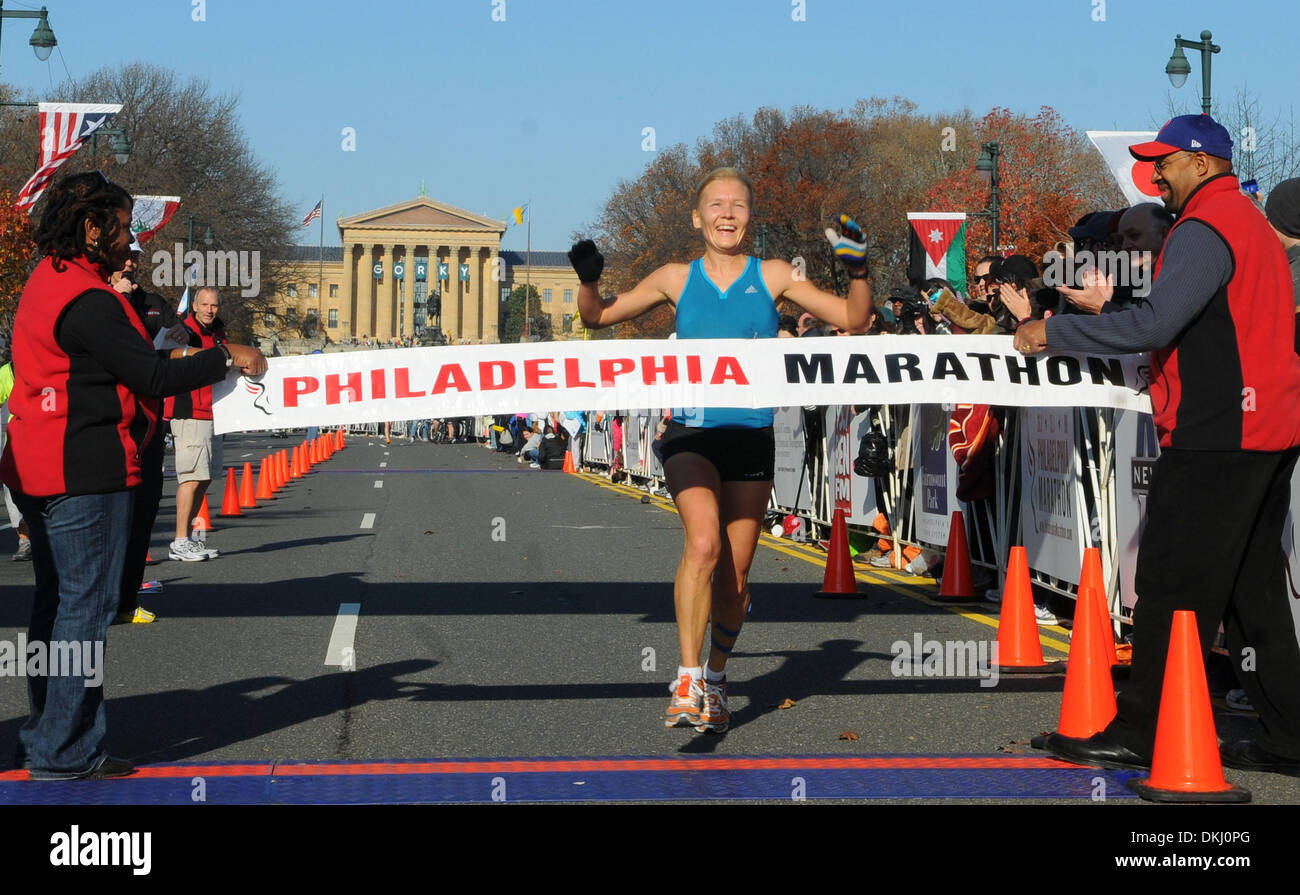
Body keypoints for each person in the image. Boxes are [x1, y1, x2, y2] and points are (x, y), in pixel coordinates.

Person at [1015, 115, 1300, 776]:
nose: (1155, 176)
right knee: (1252, 594)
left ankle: (1142, 729)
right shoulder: (1248, 221)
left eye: (1164, 162)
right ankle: (1290, 733)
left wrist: (1051, 334)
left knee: (1172, 581)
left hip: (1218, 433)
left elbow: (1155, 321)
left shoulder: (1205, 227)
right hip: (1263, 428)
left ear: (1201, 163)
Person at [569, 167, 871, 733]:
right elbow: (597, 316)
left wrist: (859, 272)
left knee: (734, 578)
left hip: (751, 438)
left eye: (737, 205)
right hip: (691, 435)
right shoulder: (676, 278)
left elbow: (855, 318)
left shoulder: (775, 274)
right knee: (702, 544)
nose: (726, 214)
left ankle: (715, 674)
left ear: (748, 217)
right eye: (716, 205)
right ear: (697, 217)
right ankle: (685, 677)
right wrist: (588, 279)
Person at [0, 172, 266, 779]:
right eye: (121, 229)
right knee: (82, 614)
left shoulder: (48, 279)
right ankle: (65, 751)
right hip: (82, 468)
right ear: (90, 230)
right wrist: (226, 356)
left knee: (54, 605)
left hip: (38, 463)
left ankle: (44, 736)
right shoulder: (90, 300)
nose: (130, 242)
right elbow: (150, 376)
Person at [166, 286, 229, 561]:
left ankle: (188, 537)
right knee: (191, 477)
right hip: (189, 411)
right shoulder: (184, 332)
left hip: (212, 412)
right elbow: (171, 359)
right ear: (195, 305)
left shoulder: (216, 334)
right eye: (204, 304)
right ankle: (179, 540)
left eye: (213, 305)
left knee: (204, 477)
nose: (209, 310)